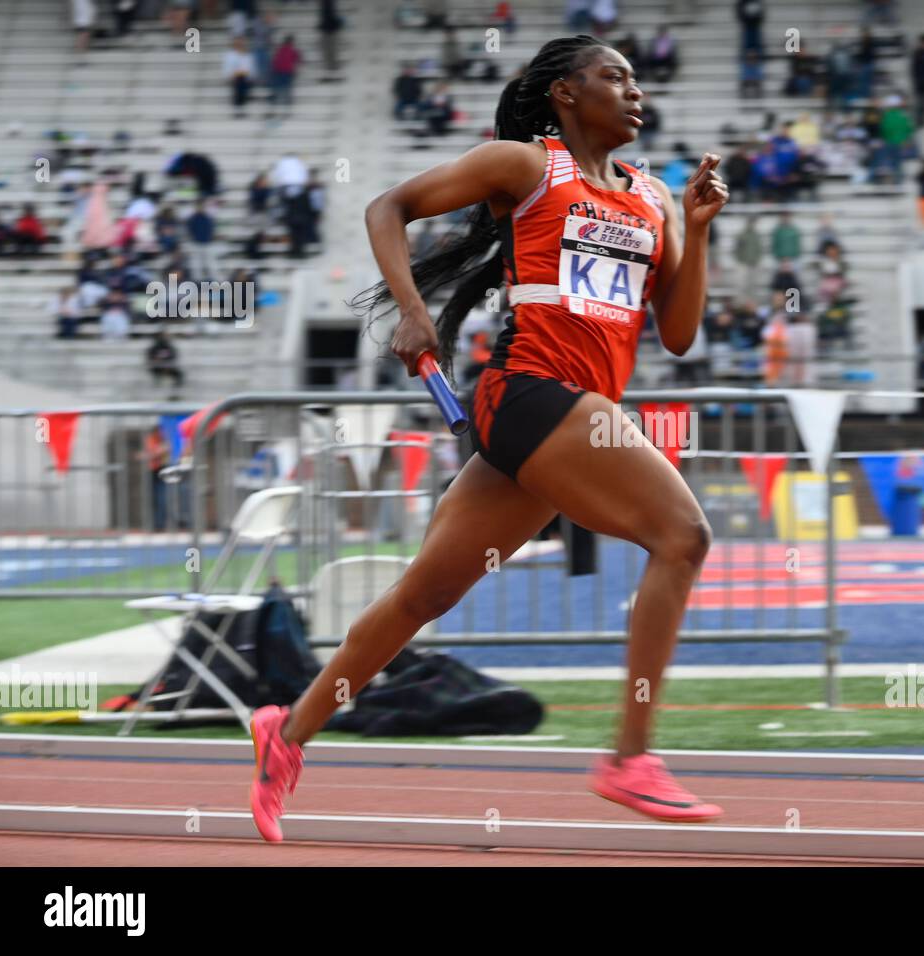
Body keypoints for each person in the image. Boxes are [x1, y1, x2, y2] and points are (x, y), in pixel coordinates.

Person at [248, 35, 732, 842]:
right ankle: (630, 757)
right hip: (531, 392)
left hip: (568, 418)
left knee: (425, 596)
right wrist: (413, 312)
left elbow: (677, 334)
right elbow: (386, 209)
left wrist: (697, 225)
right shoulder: (526, 165)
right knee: (683, 535)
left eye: (638, 80)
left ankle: (285, 734)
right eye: (614, 76)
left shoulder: (653, 197)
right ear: (566, 94)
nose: (635, 91)